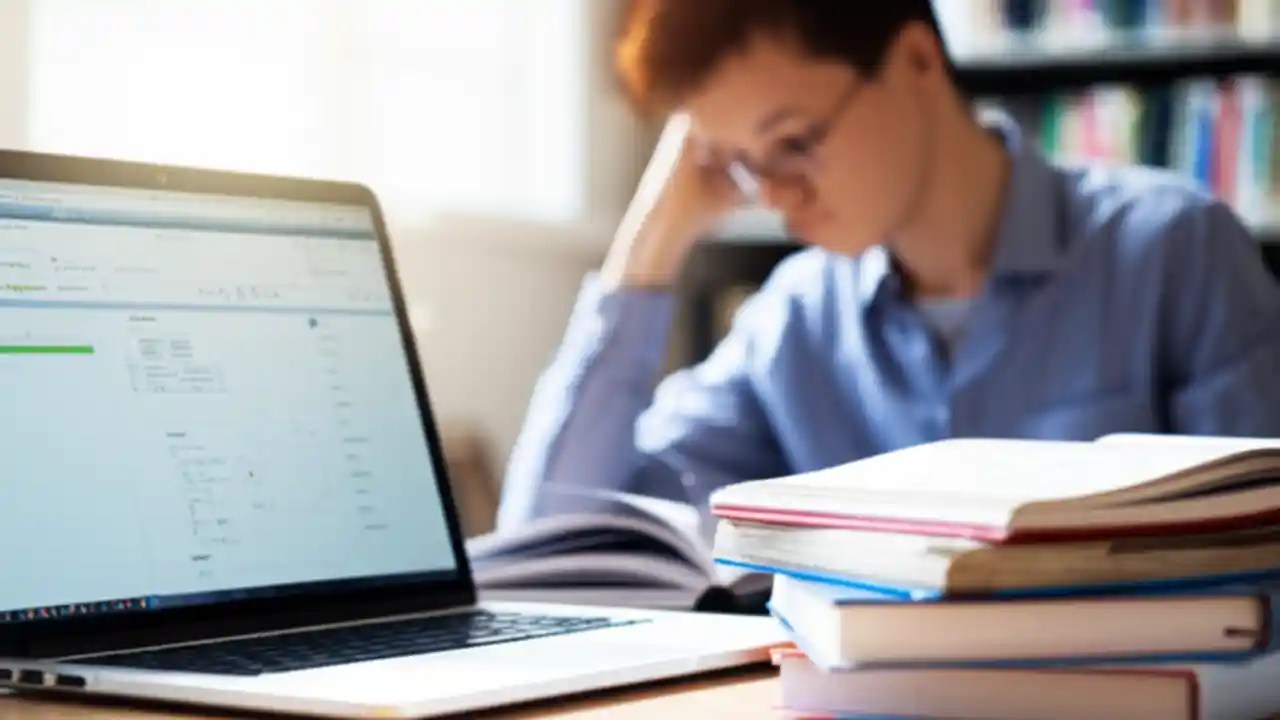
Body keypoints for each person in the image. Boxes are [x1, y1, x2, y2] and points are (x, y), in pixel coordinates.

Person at [497, 1, 1280, 528]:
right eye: (737, 162)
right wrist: (651, 239)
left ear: (913, 57)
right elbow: (556, 539)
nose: (772, 194)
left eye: (794, 141)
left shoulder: (1174, 252)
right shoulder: (795, 322)